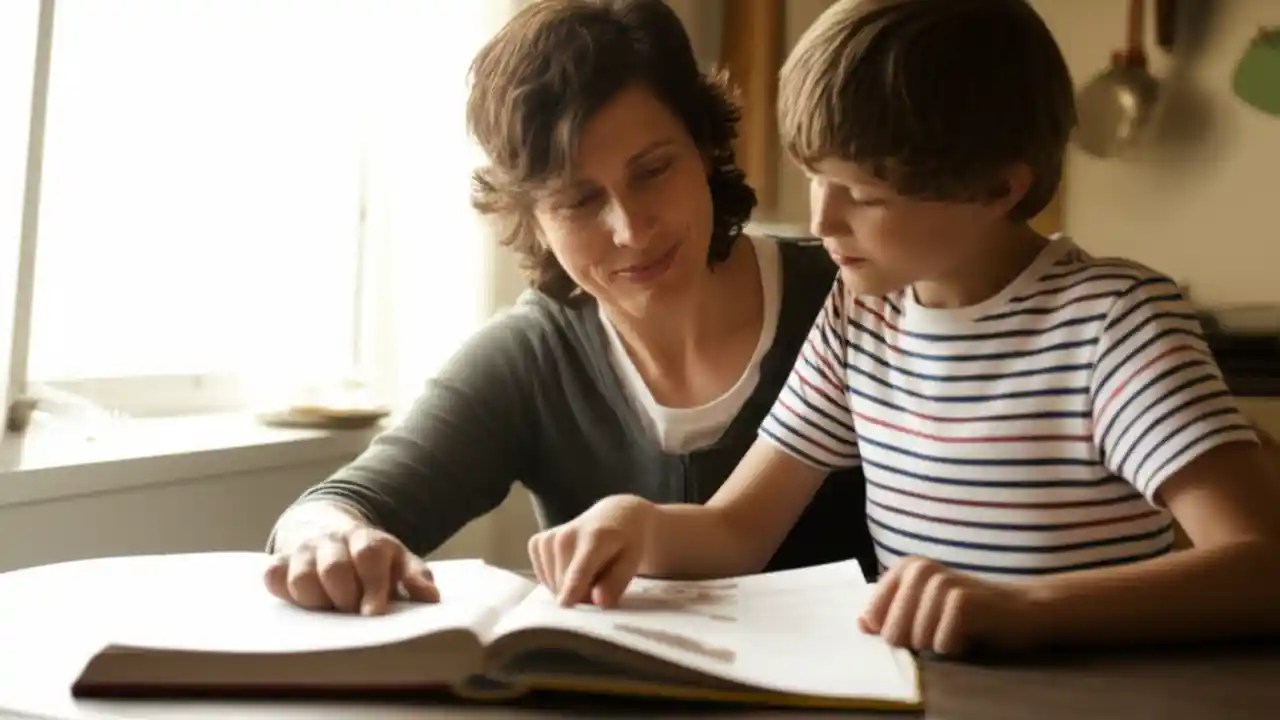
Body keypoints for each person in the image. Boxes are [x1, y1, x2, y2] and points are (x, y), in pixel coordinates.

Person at [530, 0, 1280, 657]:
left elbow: (1261, 565)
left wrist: (1026, 610)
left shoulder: (1113, 324)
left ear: (997, 187)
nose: (822, 220)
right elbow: (737, 531)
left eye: (863, 193)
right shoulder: (863, 319)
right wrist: (635, 523)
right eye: (815, 176)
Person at [261, 0, 875, 616]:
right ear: (532, 218)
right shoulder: (533, 355)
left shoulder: (858, 301)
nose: (630, 229)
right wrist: (326, 537)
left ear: (706, 146)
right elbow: (339, 504)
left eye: (654, 171)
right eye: (579, 202)